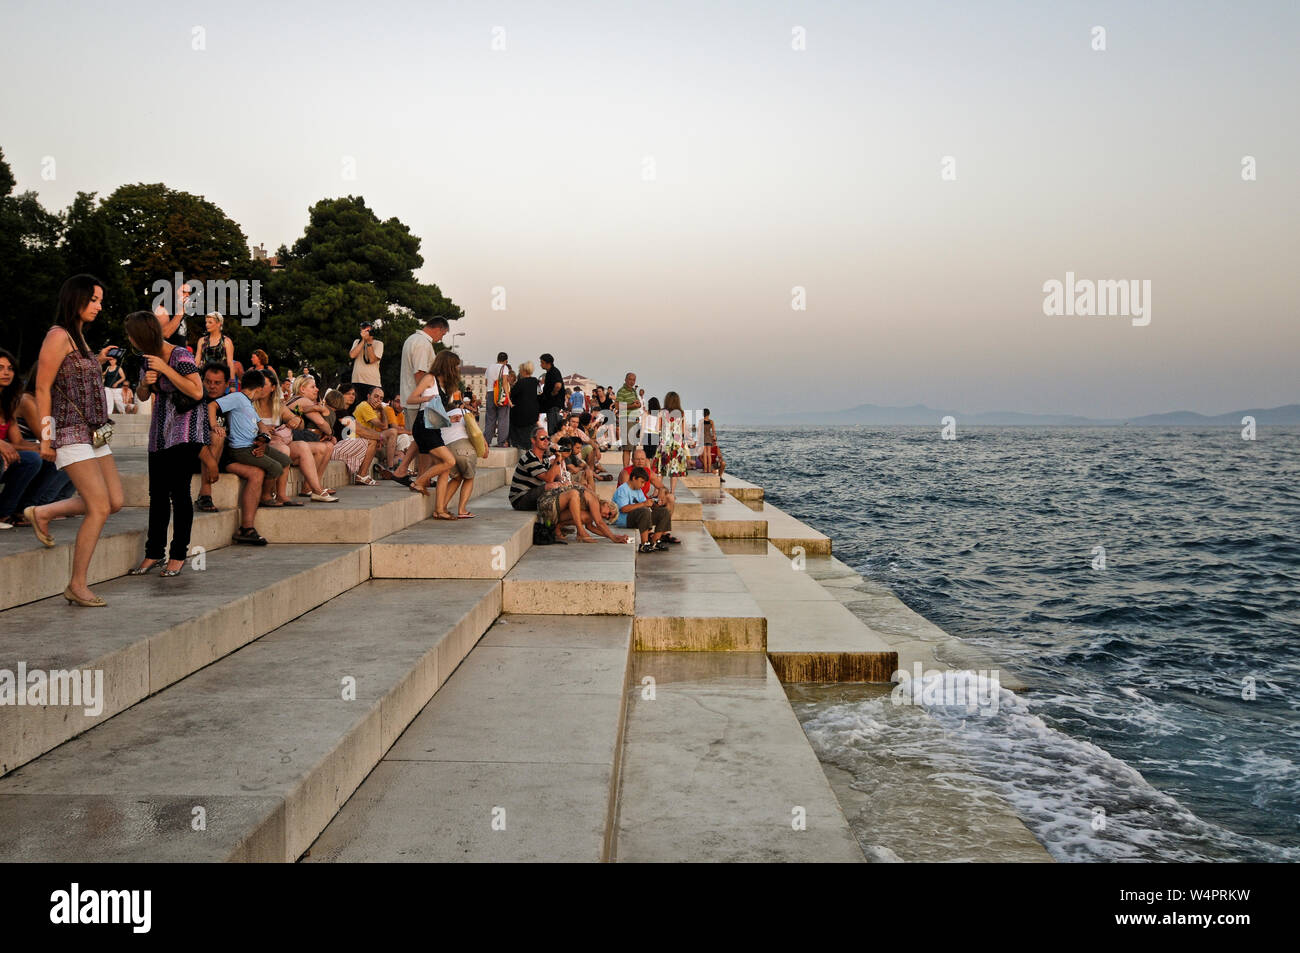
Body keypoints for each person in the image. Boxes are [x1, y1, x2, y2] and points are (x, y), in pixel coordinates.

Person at [26, 275, 126, 606]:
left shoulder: (79, 337)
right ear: (77, 299)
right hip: (69, 431)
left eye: (100, 300)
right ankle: (77, 584)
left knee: (114, 502)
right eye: (94, 299)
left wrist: (97, 360)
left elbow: (77, 377)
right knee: (98, 507)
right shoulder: (57, 336)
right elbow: (42, 388)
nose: (99, 305)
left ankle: (42, 513)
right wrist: (46, 437)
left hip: (95, 432)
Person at [121, 311, 206, 576]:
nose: (129, 339)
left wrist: (165, 368)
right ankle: (153, 553)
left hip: (185, 430)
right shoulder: (146, 359)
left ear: (141, 335)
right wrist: (145, 384)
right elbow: (143, 396)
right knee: (157, 494)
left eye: (131, 334)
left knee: (179, 493)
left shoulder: (180, 354)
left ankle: (178, 554)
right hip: (160, 431)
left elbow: (197, 390)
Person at [193, 363, 270, 539]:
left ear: (226, 384)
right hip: (199, 455)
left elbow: (258, 424)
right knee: (217, 435)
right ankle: (205, 494)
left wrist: (263, 440)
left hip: (227, 455)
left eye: (217, 382)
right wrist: (211, 462)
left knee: (257, 473)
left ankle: (246, 528)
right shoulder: (196, 401)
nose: (212, 386)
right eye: (208, 381)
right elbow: (190, 438)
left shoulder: (234, 400)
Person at [211, 369, 295, 518]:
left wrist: (263, 440)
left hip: (253, 444)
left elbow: (260, 425)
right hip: (240, 449)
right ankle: (266, 496)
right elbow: (212, 406)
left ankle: (278, 495)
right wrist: (214, 426)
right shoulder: (237, 397)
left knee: (285, 460)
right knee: (275, 467)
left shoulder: (249, 404)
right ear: (260, 389)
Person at [251, 368, 337, 502]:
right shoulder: (250, 404)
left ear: (273, 388)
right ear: (302, 389)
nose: (317, 390)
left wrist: (297, 420)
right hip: (262, 444)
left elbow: (298, 421)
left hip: (282, 441)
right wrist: (329, 430)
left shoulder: (277, 405)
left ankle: (316, 489)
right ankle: (286, 493)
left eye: (263, 384)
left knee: (304, 446)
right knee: (289, 448)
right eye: (313, 387)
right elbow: (322, 423)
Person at [393, 316, 450, 483]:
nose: (441, 338)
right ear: (438, 328)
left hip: (415, 398)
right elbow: (420, 374)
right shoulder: (422, 344)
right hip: (419, 401)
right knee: (423, 439)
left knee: (421, 439)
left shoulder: (412, 339)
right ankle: (418, 476)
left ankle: (407, 471)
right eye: (443, 334)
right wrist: (426, 398)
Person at [430, 351, 483, 519]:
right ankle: (462, 510)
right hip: (463, 447)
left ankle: (441, 508)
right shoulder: (462, 411)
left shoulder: (441, 413)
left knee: (457, 477)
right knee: (469, 477)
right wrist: (485, 446)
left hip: (446, 447)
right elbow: (474, 432)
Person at [406, 352, 460, 515]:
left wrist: (451, 416)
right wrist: (427, 398)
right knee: (449, 461)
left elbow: (439, 410)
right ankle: (419, 481)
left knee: (444, 469)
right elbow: (411, 399)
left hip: (434, 427)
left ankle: (439, 510)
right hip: (423, 426)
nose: (457, 369)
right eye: (455, 366)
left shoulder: (446, 385)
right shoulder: (430, 378)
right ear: (448, 365)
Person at [0, 348, 43, 528]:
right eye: (0, 368)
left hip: (5, 455)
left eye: (10, 368)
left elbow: (17, 442)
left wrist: (43, 449)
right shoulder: (27, 399)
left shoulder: (8, 402)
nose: (6, 372)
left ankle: (13, 512)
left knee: (38, 458)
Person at [322, 386, 380, 486]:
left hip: (341, 446)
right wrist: (380, 437)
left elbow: (363, 428)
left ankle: (362, 475)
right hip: (334, 448)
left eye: (353, 394)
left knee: (372, 440)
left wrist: (378, 436)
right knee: (372, 442)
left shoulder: (347, 413)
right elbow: (358, 430)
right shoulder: (338, 411)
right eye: (348, 393)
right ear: (340, 395)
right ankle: (361, 475)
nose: (352, 396)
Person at [613, 466, 671, 553]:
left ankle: (654, 542)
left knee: (664, 512)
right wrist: (644, 504)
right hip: (624, 520)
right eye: (642, 482)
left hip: (638, 516)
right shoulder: (623, 489)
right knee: (644, 511)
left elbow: (645, 503)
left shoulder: (638, 490)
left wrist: (655, 504)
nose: (643, 485)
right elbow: (624, 509)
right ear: (633, 478)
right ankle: (644, 544)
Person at [352, 384, 400, 475]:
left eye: (381, 398)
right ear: (368, 396)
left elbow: (385, 426)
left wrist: (381, 411)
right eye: (376, 396)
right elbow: (383, 426)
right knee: (393, 432)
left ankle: (383, 467)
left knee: (401, 454)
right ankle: (390, 468)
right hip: (361, 442)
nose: (378, 400)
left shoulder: (376, 409)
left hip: (371, 442)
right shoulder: (364, 406)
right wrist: (382, 409)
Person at [653, 390, 689, 497]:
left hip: (665, 444)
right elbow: (683, 431)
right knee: (675, 471)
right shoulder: (681, 413)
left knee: (660, 470)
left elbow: (657, 428)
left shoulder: (661, 412)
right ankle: (672, 493)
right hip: (677, 445)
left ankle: (656, 491)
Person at [508, 360, 541, 453]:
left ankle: (518, 446)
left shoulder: (521, 383)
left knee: (516, 429)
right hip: (533, 412)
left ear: (523, 371)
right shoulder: (536, 382)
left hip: (520, 413)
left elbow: (513, 394)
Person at [197, 311, 236, 385]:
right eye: (206, 322)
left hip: (220, 381)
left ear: (219, 324)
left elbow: (230, 364)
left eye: (210, 322)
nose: (207, 325)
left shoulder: (226, 342)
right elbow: (197, 361)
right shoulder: (202, 341)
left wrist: (232, 384)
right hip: (204, 381)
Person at [349, 322, 384, 401]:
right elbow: (352, 355)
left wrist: (368, 342)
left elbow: (371, 359)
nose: (366, 332)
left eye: (368, 330)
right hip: (356, 381)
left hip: (372, 383)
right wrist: (363, 340)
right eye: (364, 329)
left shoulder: (379, 343)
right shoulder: (357, 342)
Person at [484, 351, 512, 447]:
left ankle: (486, 441)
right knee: (503, 419)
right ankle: (501, 442)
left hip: (491, 394)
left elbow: (486, 382)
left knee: (490, 419)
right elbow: (504, 383)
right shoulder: (505, 368)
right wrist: (509, 398)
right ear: (506, 361)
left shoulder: (489, 367)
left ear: (497, 359)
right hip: (501, 395)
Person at [615, 372, 642, 468]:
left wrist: (638, 404)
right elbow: (617, 406)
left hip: (634, 420)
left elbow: (638, 404)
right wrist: (632, 406)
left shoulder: (633, 391)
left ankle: (633, 469)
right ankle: (625, 470)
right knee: (627, 448)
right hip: (626, 420)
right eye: (630, 379)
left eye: (634, 380)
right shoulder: (621, 391)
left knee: (633, 446)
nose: (632, 382)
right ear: (625, 380)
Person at [538, 353, 564, 434]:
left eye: (542, 362)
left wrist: (553, 393)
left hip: (554, 403)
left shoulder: (554, 372)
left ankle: (553, 444)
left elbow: (558, 385)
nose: (541, 364)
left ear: (548, 363)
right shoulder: (549, 372)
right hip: (550, 403)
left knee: (553, 427)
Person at [701, 409, 726, 481]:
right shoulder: (711, 421)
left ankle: (705, 469)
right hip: (709, 437)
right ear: (709, 414)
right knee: (708, 453)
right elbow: (713, 431)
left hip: (703, 437)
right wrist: (714, 436)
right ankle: (709, 469)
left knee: (705, 454)